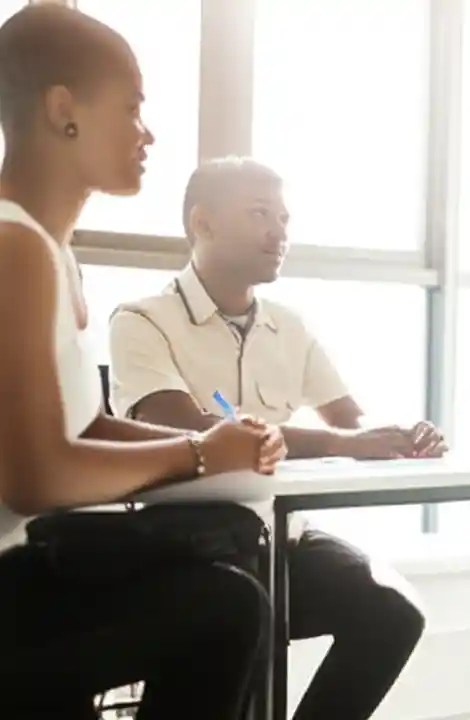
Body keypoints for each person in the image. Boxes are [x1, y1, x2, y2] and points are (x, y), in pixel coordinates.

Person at [0, 5, 287, 718]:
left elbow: (87, 426)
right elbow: (36, 475)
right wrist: (199, 454)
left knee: (229, 591)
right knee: (225, 607)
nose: (147, 133)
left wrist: (224, 446)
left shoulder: (53, 253)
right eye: (131, 108)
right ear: (63, 111)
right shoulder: (13, 247)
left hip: (25, 570)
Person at [108, 156, 431, 720]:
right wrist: (344, 445)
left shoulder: (290, 326)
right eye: (260, 214)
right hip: (189, 548)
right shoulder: (142, 320)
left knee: (392, 613)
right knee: (235, 625)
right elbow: (182, 424)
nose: (279, 232)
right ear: (203, 223)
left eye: (284, 218)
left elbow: (350, 423)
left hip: (282, 538)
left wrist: (401, 437)